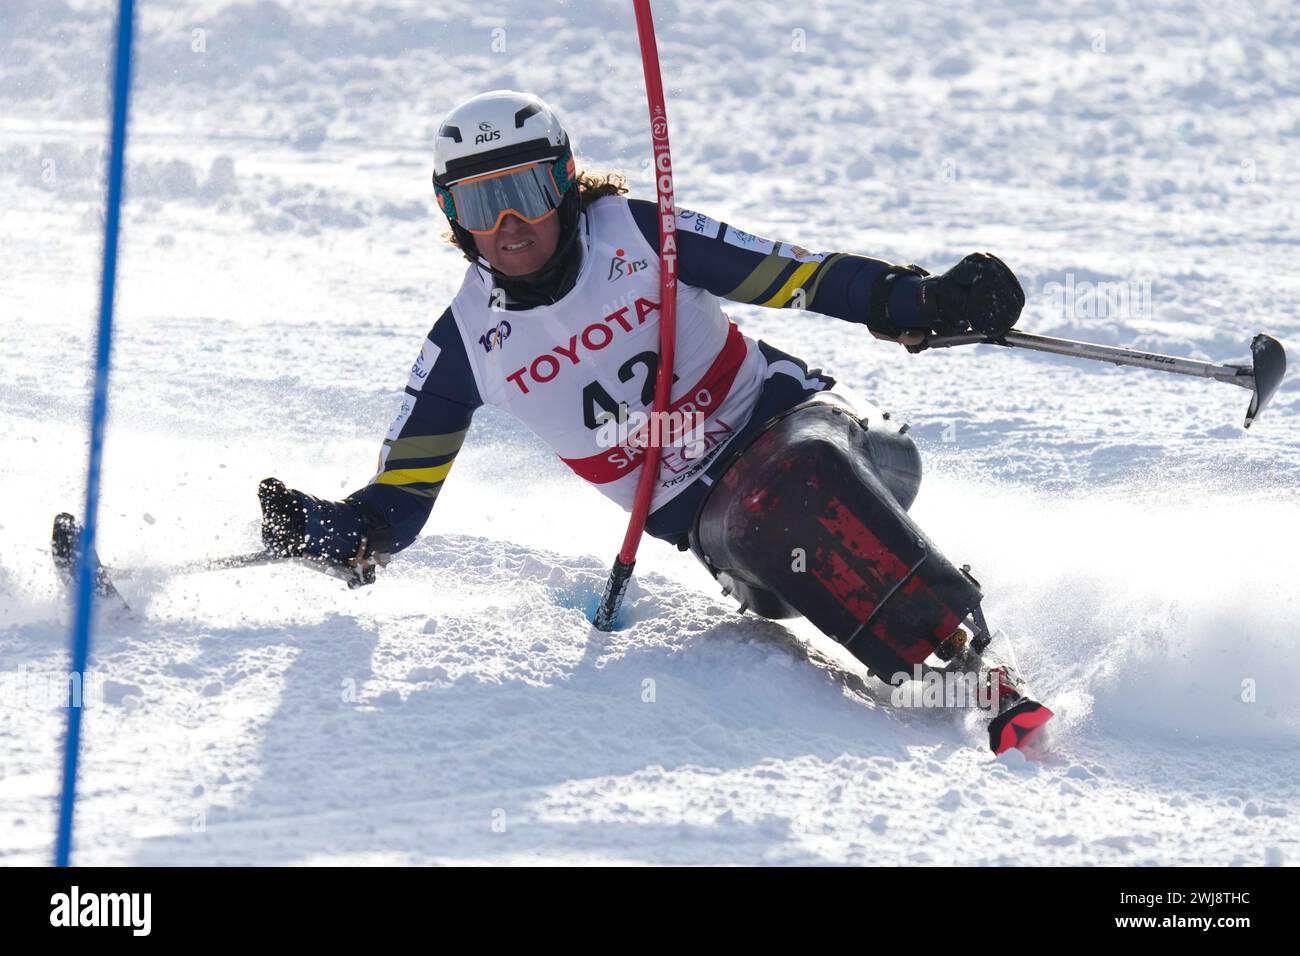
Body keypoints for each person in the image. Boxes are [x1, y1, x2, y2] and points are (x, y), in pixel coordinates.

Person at [259, 90, 1034, 728]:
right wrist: (346, 532)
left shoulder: (639, 232)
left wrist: (917, 300)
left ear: (563, 181)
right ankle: (929, 651)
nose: (509, 226)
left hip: (826, 436)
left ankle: (965, 653)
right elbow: (398, 500)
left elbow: (796, 277)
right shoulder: (468, 342)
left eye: (526, 191)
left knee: (798, 475)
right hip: (736, 541)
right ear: (451, 214)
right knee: (769, 511)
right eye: (480, 204)